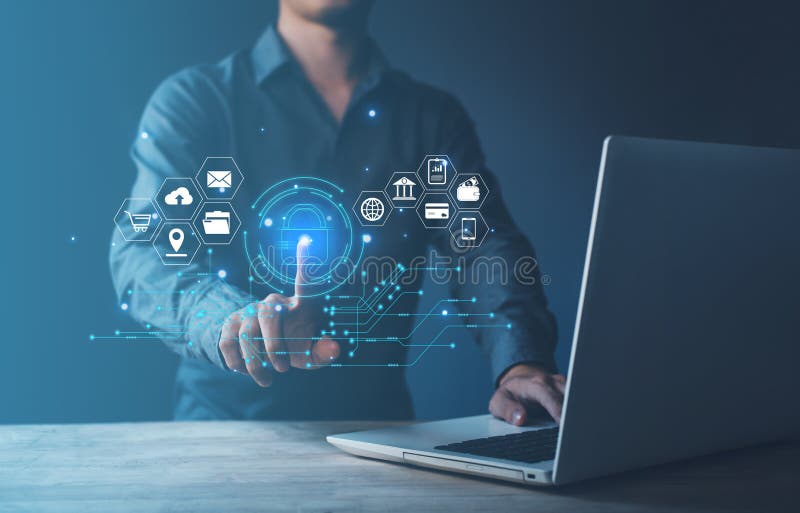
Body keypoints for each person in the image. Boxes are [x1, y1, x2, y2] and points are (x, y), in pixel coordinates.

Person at [110, 0, 564, 426]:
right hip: (222, 439)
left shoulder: (430, 119)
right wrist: (232, 319)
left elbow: (483, 247)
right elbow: (144, 254)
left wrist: (520, 362)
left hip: (380, 441)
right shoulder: (197, 101)